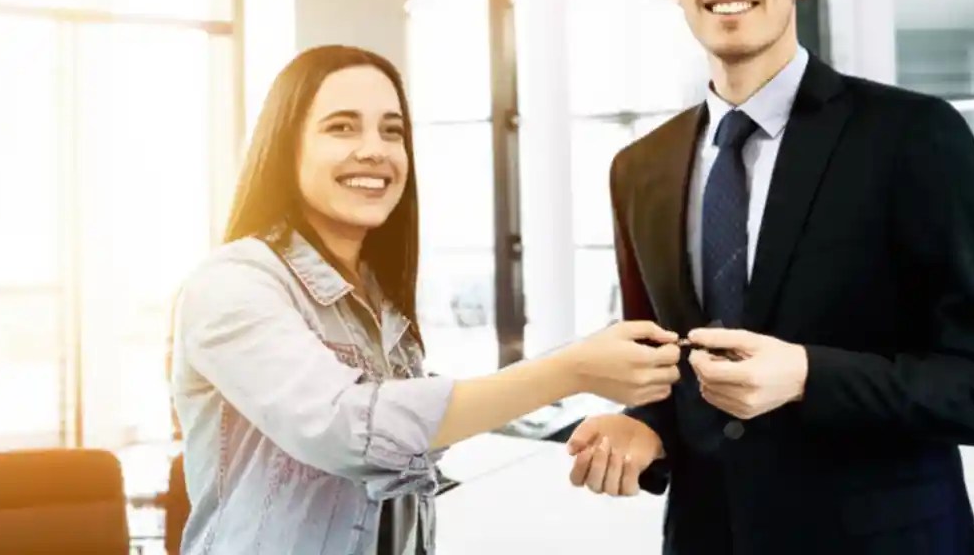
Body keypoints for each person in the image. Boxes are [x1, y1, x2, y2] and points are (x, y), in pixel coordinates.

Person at [564, 0, 974, 555]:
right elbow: (667, 374)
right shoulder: (640, 169)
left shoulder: (912, 138)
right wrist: (646, 428)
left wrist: (809, 376)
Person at [170, 45, 682, 555]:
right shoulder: (233, 283)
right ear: (286, 147)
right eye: (341, 127)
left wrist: (602, 412)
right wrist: (572, 370)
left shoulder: (375, 297)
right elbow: (352, 430)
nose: (375, 150)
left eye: (391, 130)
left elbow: (415, 433)